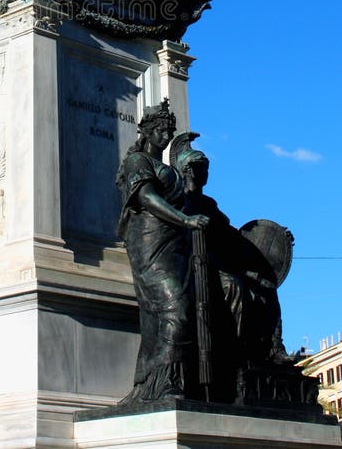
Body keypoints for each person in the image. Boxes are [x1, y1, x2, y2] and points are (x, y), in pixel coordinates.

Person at [172, 135, 291, 399]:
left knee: (266, 286)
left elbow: (233, 239)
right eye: (202, 168)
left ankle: (273, 349)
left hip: (221, 262)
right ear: (189, 170)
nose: (206, 174)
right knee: (234, 287)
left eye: (207, 168)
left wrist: (279, 241)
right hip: (196, 267)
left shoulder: (209, 205)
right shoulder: (180, 201)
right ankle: (235, 359)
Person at [116, 101, 208, 403]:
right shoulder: (137, 162)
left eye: (170, 130)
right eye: (162, 130)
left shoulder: (169, 169)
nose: (167, 135)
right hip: (149, 245)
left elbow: (187, 200)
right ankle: (160, 382)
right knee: (174, 307)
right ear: (148, 131)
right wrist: (185, 219)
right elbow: (146, 196)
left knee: (182, 307)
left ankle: (170, 382)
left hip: (175, 245)